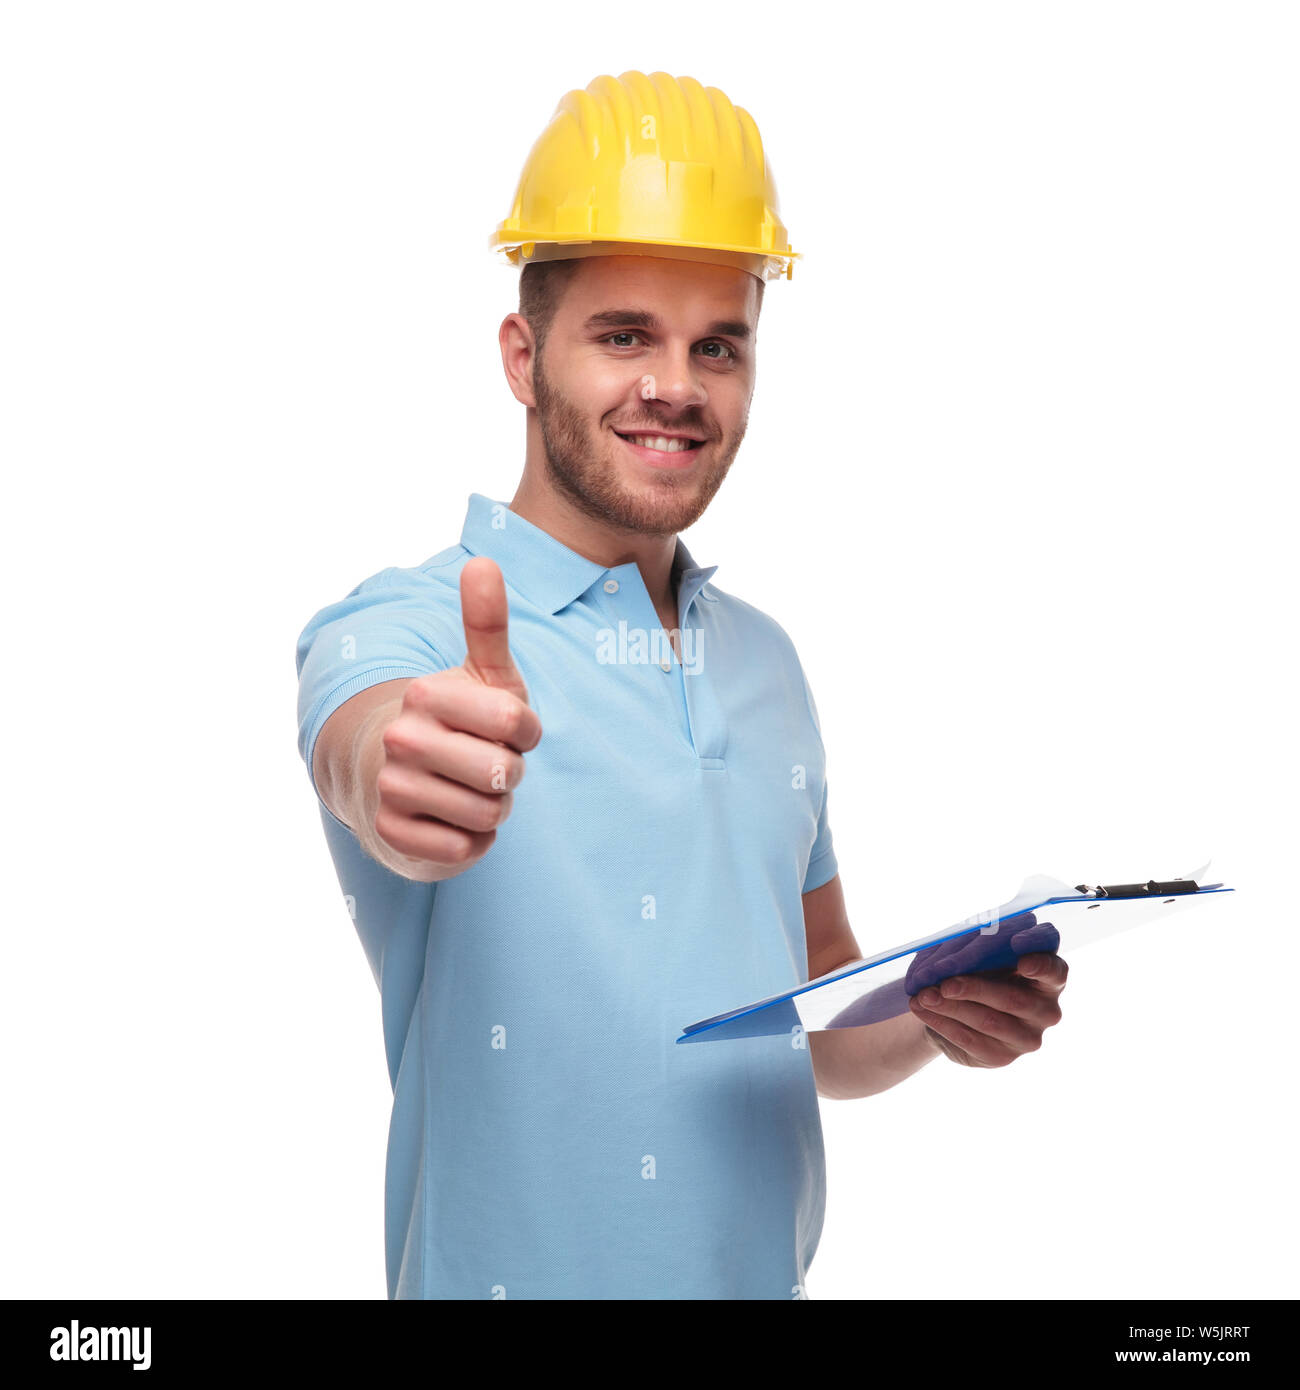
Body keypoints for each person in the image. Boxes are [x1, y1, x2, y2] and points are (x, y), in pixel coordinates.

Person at [294, 70, 1068, 1300]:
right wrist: (396, 763)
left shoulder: (765, 661)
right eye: (623, 335)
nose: (677, 385)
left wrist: (932, 1013)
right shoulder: (412, 623)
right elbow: (362, 734)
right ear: (521, 353)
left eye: (719, 343)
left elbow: (818, 1018)